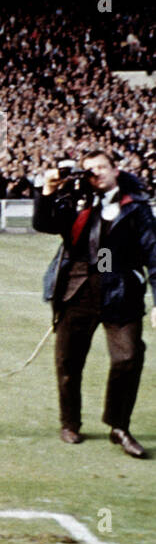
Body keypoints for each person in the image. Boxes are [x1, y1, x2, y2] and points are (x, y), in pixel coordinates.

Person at [34, 150, 156, 457]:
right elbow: (44, 223)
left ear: (115, 170)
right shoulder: (75, 202)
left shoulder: (136, 207)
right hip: (77, 288)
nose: (97, 173)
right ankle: (70, 422)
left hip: (121, 289)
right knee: (68, 361)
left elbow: (154, 255)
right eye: (90, 169)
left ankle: (119, 426)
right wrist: (49, 190)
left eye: (102, 167)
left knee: (128, 357)